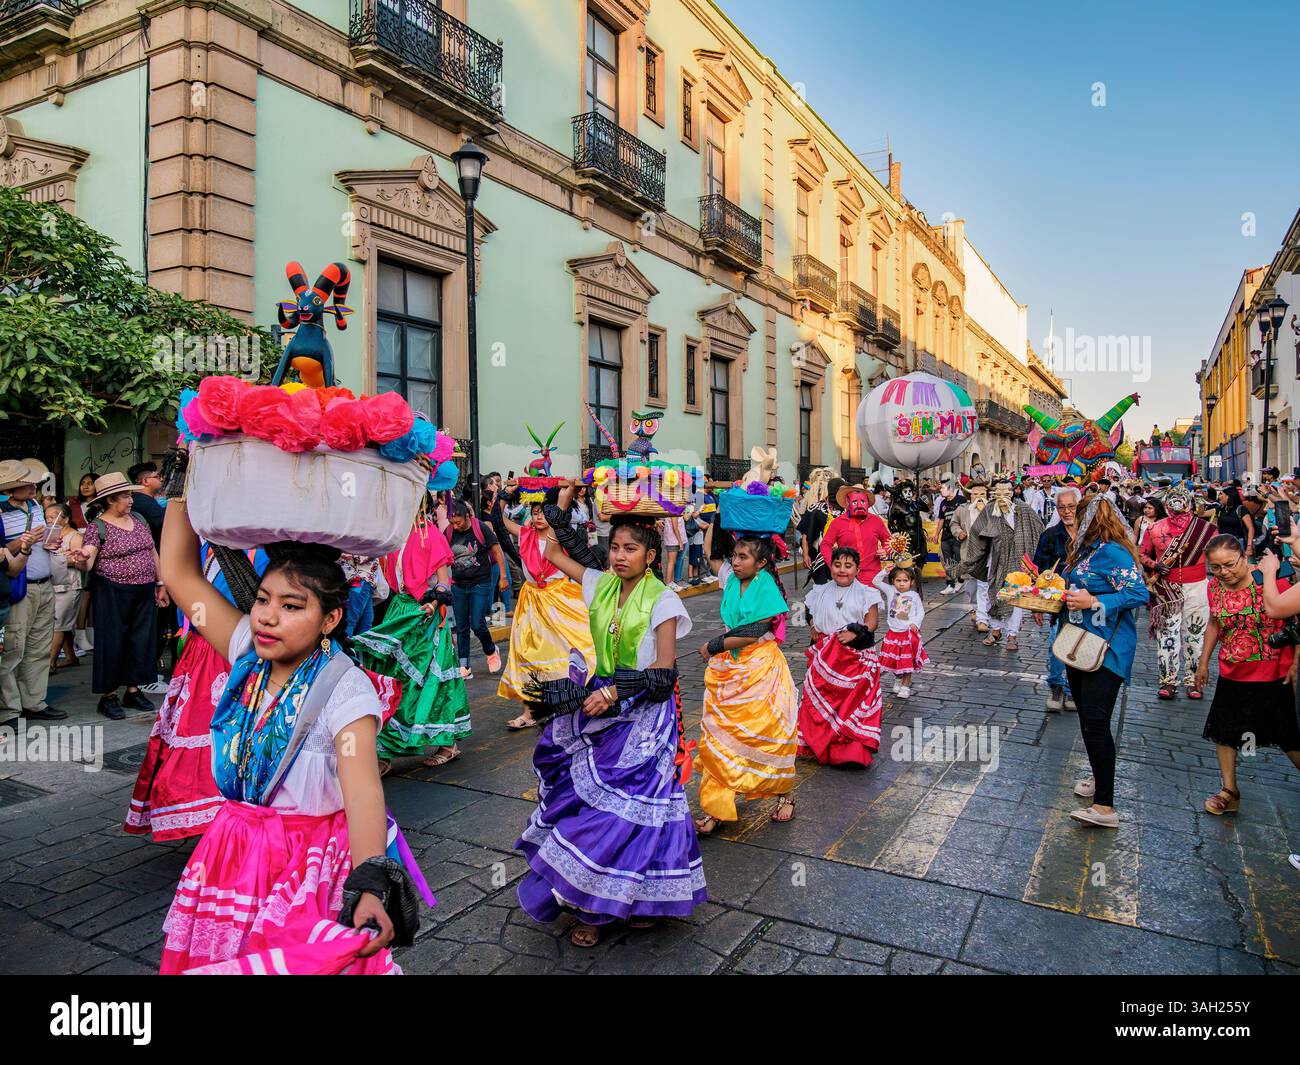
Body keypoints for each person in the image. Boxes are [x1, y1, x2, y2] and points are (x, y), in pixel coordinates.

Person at [156, 501, 399, 974]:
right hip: (229, 855)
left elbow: (364, 791)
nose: (267, 616)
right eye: (263, 599)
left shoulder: (345, 690)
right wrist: (182, 484)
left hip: (303, 870)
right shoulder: (247, 649)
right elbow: (179, 573)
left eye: (292, 607)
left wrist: (371, 879)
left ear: (330, 619)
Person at [517, 495, 703, 948]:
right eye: (615, 547)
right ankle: (609, 897)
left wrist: (615, 691)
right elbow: (555, 555)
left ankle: (609, 907)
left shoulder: (662, 600)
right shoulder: (599, 583)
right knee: (588, 798)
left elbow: (664, 673)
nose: (619, 556)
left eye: (630, 549)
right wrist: (553, 517)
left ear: (651, 557)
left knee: (630, 810)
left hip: (643, 715)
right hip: (600, 705)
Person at [125, 542, 269, 841]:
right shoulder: (205, 549)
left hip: (240, 652)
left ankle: (236, 813)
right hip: (202, 652)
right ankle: (210, 814)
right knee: (200, 730)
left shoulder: (260, 550)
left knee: (239, 734)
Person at [696, 521, 799, 834]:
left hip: (760, 669)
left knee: (765, 736)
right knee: (720, 737)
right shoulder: (730, 578)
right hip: (729, 669)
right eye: (735, 556)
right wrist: (717, 518)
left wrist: (713, 646)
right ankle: (715, 807)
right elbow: (711, 555)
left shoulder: (766, 584)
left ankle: (785, 794)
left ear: (762, 563)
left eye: (742, 557)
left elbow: (755, 630)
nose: (735, 561)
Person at [1059, 496, 1149, 828]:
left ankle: (1105, 808)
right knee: (1089, 721)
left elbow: (1139, 594)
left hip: (1107, 649)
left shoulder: (1111, 551)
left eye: (1078, 515)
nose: (1071, 519)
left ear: (1092, 519)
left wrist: (1094, 600)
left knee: (1096, 723)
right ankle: (1101, 776)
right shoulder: (1086, 549)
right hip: (1079, 643)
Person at [354, 512, 469, 773]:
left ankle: (447, 743)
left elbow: (443, 583)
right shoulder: (394, 534)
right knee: (389, 679)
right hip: (401, 610)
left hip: (426, 618)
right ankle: (383, 752)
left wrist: (432, 604)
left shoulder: (432, 536)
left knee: (431, 681)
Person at [1196, 537, 1300, 817]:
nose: (1223, 572)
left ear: (1244, 556)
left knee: (1288, 735)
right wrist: (1203, 662)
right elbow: (1215, 624)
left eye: (1229, 565)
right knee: (1224, 730)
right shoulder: (1214, 587)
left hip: (1273, 672)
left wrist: (1296, 661)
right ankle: (1229, 791)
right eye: (1215, 567)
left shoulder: (1268, 580)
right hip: (1232, 669)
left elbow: (1296, 620)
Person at [496, 489, 596, 731]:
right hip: (531, 601)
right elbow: (497, 521)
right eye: (535, 513)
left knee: (567, 652)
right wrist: (504, 494)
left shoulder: (561, 536)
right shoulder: (525, 534)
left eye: (543, 513)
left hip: (559, 600)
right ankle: (529, 711)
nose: (539, 517)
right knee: (527, 655)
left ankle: (567, 702)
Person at [70, 473, 166, 720]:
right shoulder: (97, 526)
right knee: (113, 641)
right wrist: (81, 560)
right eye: (125, 496)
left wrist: (161, 583)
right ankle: (109, 696)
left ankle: (133, 690)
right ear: (111, 500)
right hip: (113, 590)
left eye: (130, 495)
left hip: (144, 589)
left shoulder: (139, 519)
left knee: (141, 639)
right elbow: (89, 558)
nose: (131, 500)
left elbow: (152, 552)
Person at [796, 546, 882, 766]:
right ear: (830, 566)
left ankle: (848, 750)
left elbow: (872, 622)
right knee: (818, 700)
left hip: (854, 656)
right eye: (837, 565)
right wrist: (813, 625)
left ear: (857, 569)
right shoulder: (819, 590)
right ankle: (817, 743)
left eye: (848, 565)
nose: (842, 570)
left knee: (850, 705)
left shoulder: (867, 592)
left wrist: (855, 632)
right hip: (825, 655)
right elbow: (810, 613)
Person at [1140, 482, 1216, 700]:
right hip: (1166, 589)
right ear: (1167, 504)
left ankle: (1193, 681)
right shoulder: (1154, 528)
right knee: (1167, 636)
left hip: (1198, 587)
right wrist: (1155, 565)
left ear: (1190, 504)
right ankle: (1168, 680)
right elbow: (1141, 554)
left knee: (1195, 635)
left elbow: (1218, 556)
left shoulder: (1206, 530)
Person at [0, 460, 61, 723]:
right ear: (12, 489)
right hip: (19, 588)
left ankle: (34, 701)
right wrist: (24, 540)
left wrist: (50, 540)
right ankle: (10, 710)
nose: (34, 486)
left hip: (44, 583)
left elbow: (41, 541)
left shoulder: (35, 505)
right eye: (27, 483)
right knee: (14, 649)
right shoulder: (0, 512)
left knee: (39, 647)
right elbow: (3, 553)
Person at [964, 479, 1044, 652]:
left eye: (1006, 493)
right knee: (993, 593)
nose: (1002, 497)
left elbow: (1038, 528)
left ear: (1013, 492)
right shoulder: (990, 509)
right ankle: (996, 630)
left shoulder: (1022, 509)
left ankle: (1012, 635)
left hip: (1017, 559)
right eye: (998, 493)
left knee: (1015, 596)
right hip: (994, 559)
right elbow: (977, 531)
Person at [1033, 484, 1082, 711]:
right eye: (1061, 507)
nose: (1067, 511)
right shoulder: (1050, 536)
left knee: (1079, 644)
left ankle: (1073, 688)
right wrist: (1037, 607)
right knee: (1056, 642)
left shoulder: (1090, 535)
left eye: (1071, 506)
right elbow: (1039, 571)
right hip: (1057, 601)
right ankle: (1056, 685)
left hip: (1084, 600)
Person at [445, 499, 506, 679]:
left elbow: (496, 551)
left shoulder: (481, 528)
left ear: (467, 516)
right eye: (452, 523)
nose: (456, 526)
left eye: (459, 522)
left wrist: (503, 576)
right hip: (458, 584)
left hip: (481, 581)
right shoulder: (448, 532)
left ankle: (491, 650)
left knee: (477, 623)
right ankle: (464, 665)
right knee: (462, 626)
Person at [872, 563, 928, 698]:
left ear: (912, 581)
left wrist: (915, 623)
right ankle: (898, 678)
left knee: (907, 661)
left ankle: (905, 685)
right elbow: (875, 581)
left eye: (905, 580)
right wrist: (885, 570)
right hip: (893, 634)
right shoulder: (891, 590)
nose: (902, 584)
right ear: (892, 581)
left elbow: (920, 612)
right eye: (898, 580)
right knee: (893, 660)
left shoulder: (914, 596)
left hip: (907, 634)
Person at [820, 483, 891, 587]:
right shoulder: (838, 522)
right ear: (848, 502)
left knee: (870, 602)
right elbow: (825, 545)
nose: (859, 504)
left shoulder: (876, 521)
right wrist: (835, 565)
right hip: (846, 574)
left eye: (862, 500)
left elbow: (888, 541)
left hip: (871, 574)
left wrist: (885, 550)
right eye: (854, 500)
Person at [45, 502, 84, 674]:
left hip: (69, 585)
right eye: (47, 517)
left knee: (59, 625)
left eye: (53, 517)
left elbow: (78, 561)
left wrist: (56, 560)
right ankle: (70, 656)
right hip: (53, 584)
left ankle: (50, 663)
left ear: (66, 519)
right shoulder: (48, 535)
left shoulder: (75, 536)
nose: (49, 520)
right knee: (63, 622)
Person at [798, 474, 842, 586]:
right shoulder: (816, 508)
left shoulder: (848, 509)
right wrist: (806, 554)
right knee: (821, 586)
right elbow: (806, 533)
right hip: (819, 554)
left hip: (842, 555)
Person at [935, 478, 967, 595]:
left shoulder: (961, 500)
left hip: (958, 537)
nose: (941, 490)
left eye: (943, 488)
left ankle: (960, 580)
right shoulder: (943, 503)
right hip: (946, 536)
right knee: (947, 561)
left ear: (950, 488)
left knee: (959, 560)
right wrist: (937, 534)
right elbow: (941, 519)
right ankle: (949, 584)